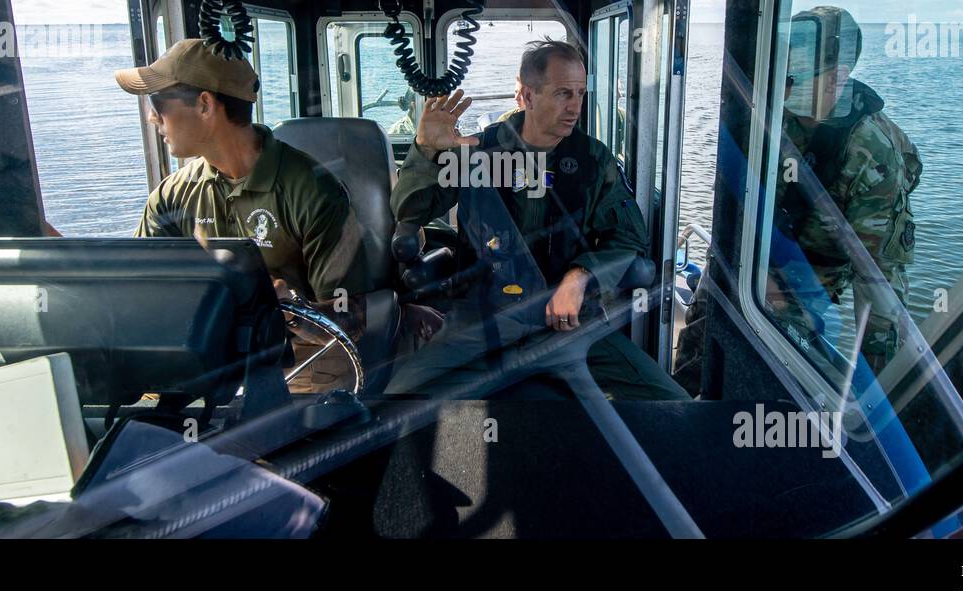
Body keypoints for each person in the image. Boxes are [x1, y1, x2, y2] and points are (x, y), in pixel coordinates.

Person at [386, 39, 688, 400]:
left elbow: (628, 237)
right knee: (396, 401)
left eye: (579, 93)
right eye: (563, 93)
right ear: (528, 96)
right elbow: (410, 210)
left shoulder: (592, 159)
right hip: (484, 320)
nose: (575, 106)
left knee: (671, 404)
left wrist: (580, 277)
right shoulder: (476, 152)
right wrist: (425, 151)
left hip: (567, 324)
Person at [115, 38, 374, 388]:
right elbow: (137, 288)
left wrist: (290, 308)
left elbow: (350, 320)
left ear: (205, 105)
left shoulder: (312, 192)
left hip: (302, 359)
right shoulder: (172, 196)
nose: (151, 117)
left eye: (158, 103)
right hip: (208, 356)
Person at [767, 6, 922, 374]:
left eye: (793, 77)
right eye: (780, 73)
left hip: (835, 262)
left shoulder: (872, 156)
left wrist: (787, 288)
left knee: (783, 368)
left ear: (836, 78)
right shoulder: (776, 115)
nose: (782, 86)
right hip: (772, 245)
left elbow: (871, 271)